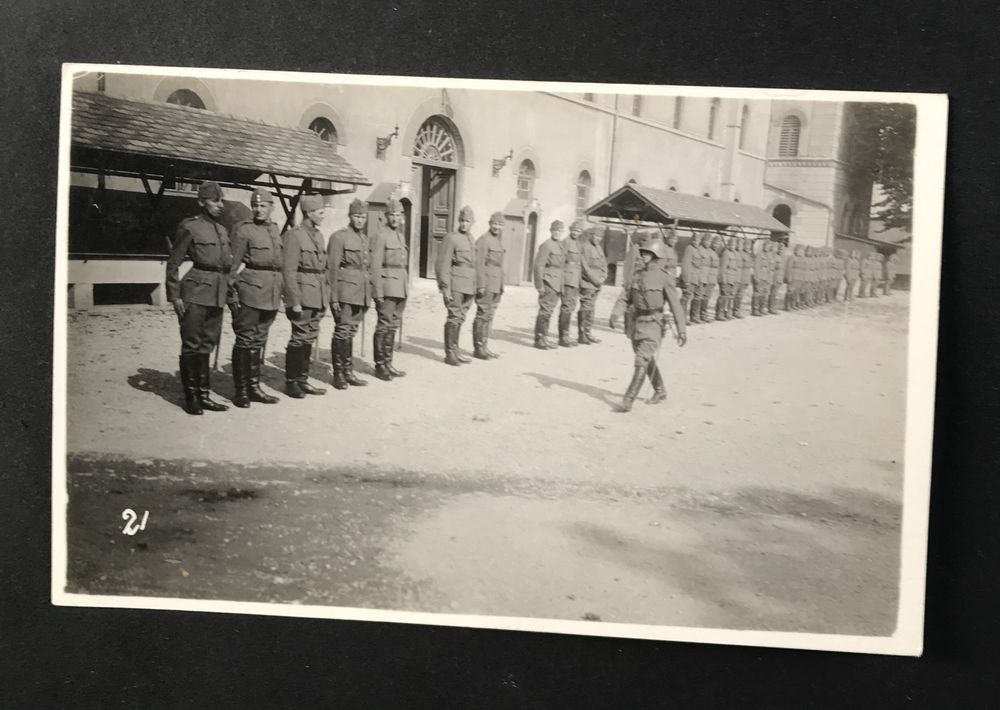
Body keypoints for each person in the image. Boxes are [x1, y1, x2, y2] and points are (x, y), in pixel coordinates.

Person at [165, 181, 233, 415]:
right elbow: (173, 263)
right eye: (215, 201)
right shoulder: (190, 227)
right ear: (202, 202)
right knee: (192, 344)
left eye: (221, 201)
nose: (220, 205)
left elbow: (225, 266)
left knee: (207, 344)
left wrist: (229, 294)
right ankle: (191, 397)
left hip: (217, 294)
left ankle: (204, 395)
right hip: (195, 292)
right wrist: (175, 296)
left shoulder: (222, 229)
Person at [608, 240, 687, 412]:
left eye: (647, 253)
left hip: (654, 324)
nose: (643, 255)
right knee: (646, 358)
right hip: (636, 323)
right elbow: (625, 297)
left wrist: (681, 330)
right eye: (643, 252)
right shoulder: (636, 275)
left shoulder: (664, 278)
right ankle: (660, 390)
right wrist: (615, 314)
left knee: (641, 359)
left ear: (656, 256)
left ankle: (628, 400)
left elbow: (676, 305)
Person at [227, 187, 282, 408]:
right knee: (245, 339)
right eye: (255, 206)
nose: (258, 210)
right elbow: (232, 266)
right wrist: (231, 296)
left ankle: (254, 387)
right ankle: (241, 390)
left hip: (271, 291)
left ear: (271, 207)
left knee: (259, 339)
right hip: (250, 291)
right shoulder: (243, 229)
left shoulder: (275, 229)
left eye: (263, 206)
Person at [281, 193, 329, 398]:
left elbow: (323, 269)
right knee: (299, 337)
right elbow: (288, 271)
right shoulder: (294, 235)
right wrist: (294, 301)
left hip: (317, 294)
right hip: (302, 295)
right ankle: (291, 382)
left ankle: (303, 379)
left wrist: (325, 296)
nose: (323, 216)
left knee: (309, 337)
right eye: (321, 212)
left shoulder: (319, 235)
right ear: (309, 213)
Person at [327, 198, 373, 389]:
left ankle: (348, 371)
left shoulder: (365, 239)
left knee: (351, 330)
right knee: (342, 330)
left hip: (361, 291)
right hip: (345, 291)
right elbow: (332, 269)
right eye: (356, 216)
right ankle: (338, 373)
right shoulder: (339, 237)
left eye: (363, 217)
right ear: (350, 216)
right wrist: (333, 297)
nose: (360, 220)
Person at [369, 198, 408, 380]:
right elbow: (375, 266)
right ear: (386, 216)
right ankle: (380, 365)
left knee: (393, 325)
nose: (394, 218)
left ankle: (388, 362)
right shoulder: (380, 235)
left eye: (398, 215)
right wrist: (377, 292)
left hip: (400, 285)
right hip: (387, 286)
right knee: (384, 324)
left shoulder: (400, 235)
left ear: (402, 217)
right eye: (391, 215)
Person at [437, 205, 478, 365]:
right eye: (461, 220)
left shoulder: (471, 239)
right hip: (455, 284)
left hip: (468, 284)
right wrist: (445, 288)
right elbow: (443, 264)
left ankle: (456, 350)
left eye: (467, 221)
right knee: (454, 317)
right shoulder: (451, 238)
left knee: (461, 317)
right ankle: (449, 354)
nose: (464, 224)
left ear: (472, 222)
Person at [473, 211, 506, 359]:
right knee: (482, 314)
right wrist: (480, 285)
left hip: (496, 283)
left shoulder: (498, 241)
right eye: (494, 224)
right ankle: (478, 348)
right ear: (490, 224)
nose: (497, 227)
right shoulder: (484, 240)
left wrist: (501, 284)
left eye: (499, 224)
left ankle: (485, 347)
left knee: (489, 315)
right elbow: (479, 263)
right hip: (486, 283)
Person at [533, 220, 567, 349]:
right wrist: (539, 285)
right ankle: (539, 339)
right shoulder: (546, 245)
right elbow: (538, 265)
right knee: (545, 309)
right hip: (548, 281)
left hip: (557, 282)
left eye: (559, 231)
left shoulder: (560, 246)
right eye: (554, 230)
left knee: (550, 310)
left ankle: (544, 338)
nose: (557, 233)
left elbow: (562, 267)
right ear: (551, 231)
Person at [578, 224, 608, 344]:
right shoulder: (585, 247)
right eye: (595, 236)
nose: (597, 239)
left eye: (600, 237)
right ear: (591, 235)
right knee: (586, 307)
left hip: (597, 284)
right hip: (588, 283)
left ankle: (588, 332)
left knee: (592, 308)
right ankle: (582, 335)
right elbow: (585, 267)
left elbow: (604, 265)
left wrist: (603, 277)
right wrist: (596, 280)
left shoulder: (599, 248)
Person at [558, 219, 585, 347]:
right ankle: (563, 337)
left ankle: (566, 335)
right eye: (574, 230)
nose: (576, 232)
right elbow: (561, 262)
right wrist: (562, 280)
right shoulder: (565, 242)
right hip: (568, 278)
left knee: (571, 306)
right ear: (570, 230)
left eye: (578, 231)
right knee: (566, 307)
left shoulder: (579, 244)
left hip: (575, 279)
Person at [679, 232, 703, 324]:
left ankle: (694, 317)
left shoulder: (698, 249)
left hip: (697, 278)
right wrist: (686, 280)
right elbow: (685, 265)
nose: (696, 242)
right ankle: (682, 318)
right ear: (692, 240)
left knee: (697, 297)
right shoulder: (689, 249)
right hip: (690, 277)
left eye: (698, 240)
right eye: (695, 240)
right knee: (686, 298)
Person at [716, 235, 739, 321]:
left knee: (729, 296)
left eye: (734, 245)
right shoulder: (726, 253)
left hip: (732, 278)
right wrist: (723, 280)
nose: (733, 246)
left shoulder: (734, 253)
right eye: (731, 245)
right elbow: (722, 268)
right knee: (723, 296)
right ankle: (719, 313)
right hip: (726, 278)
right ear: (728, 245)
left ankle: (727, 313)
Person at [752, 239, 772, 316]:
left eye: (769, 246)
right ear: (763, 246)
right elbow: (756, 267)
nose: (767, 247)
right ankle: (755, 309)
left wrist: (769, 278)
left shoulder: (770, 255)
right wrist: (757, 277)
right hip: (760, 276)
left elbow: (770, 268)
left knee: (765, 294)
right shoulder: (759, 255)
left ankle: (761, 308)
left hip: (766, 277)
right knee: (757, 293)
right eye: (766, 246)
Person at [769, 242, 787, 314]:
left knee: (775, 293)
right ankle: (771, 308)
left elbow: (784, 268)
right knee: (772, 293)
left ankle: (772, 307)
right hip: (775, 276)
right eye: (779, 249)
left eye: (782, 249)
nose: (781, 250)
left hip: (780, 277)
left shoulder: (784, 257)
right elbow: (772, 267)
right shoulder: (774, 256)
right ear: (777, 249)